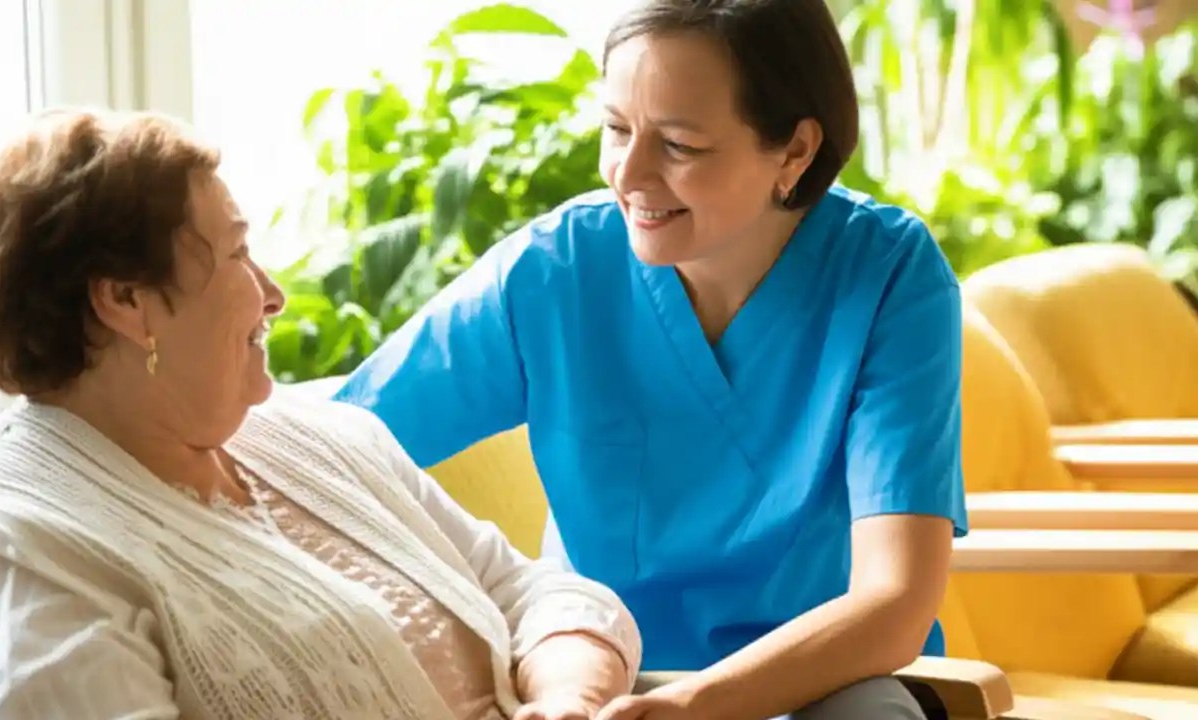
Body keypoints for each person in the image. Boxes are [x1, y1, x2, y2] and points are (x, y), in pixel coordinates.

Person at [335, 1, 968, 718]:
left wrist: (693, 707)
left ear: (793, 151)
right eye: (616, 129)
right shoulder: (554, 273)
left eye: (679, 145)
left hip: (824, 681)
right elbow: (331, 449)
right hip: (593, 678)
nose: (627, 174)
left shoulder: (888, 276)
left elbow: (894, 605)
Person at [0, 108, 641, 720]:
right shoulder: (9, 545)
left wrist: (566, 698)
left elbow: (527, 588)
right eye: (235, 252)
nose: (273, 294)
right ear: (126, 301)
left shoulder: (312, 432)